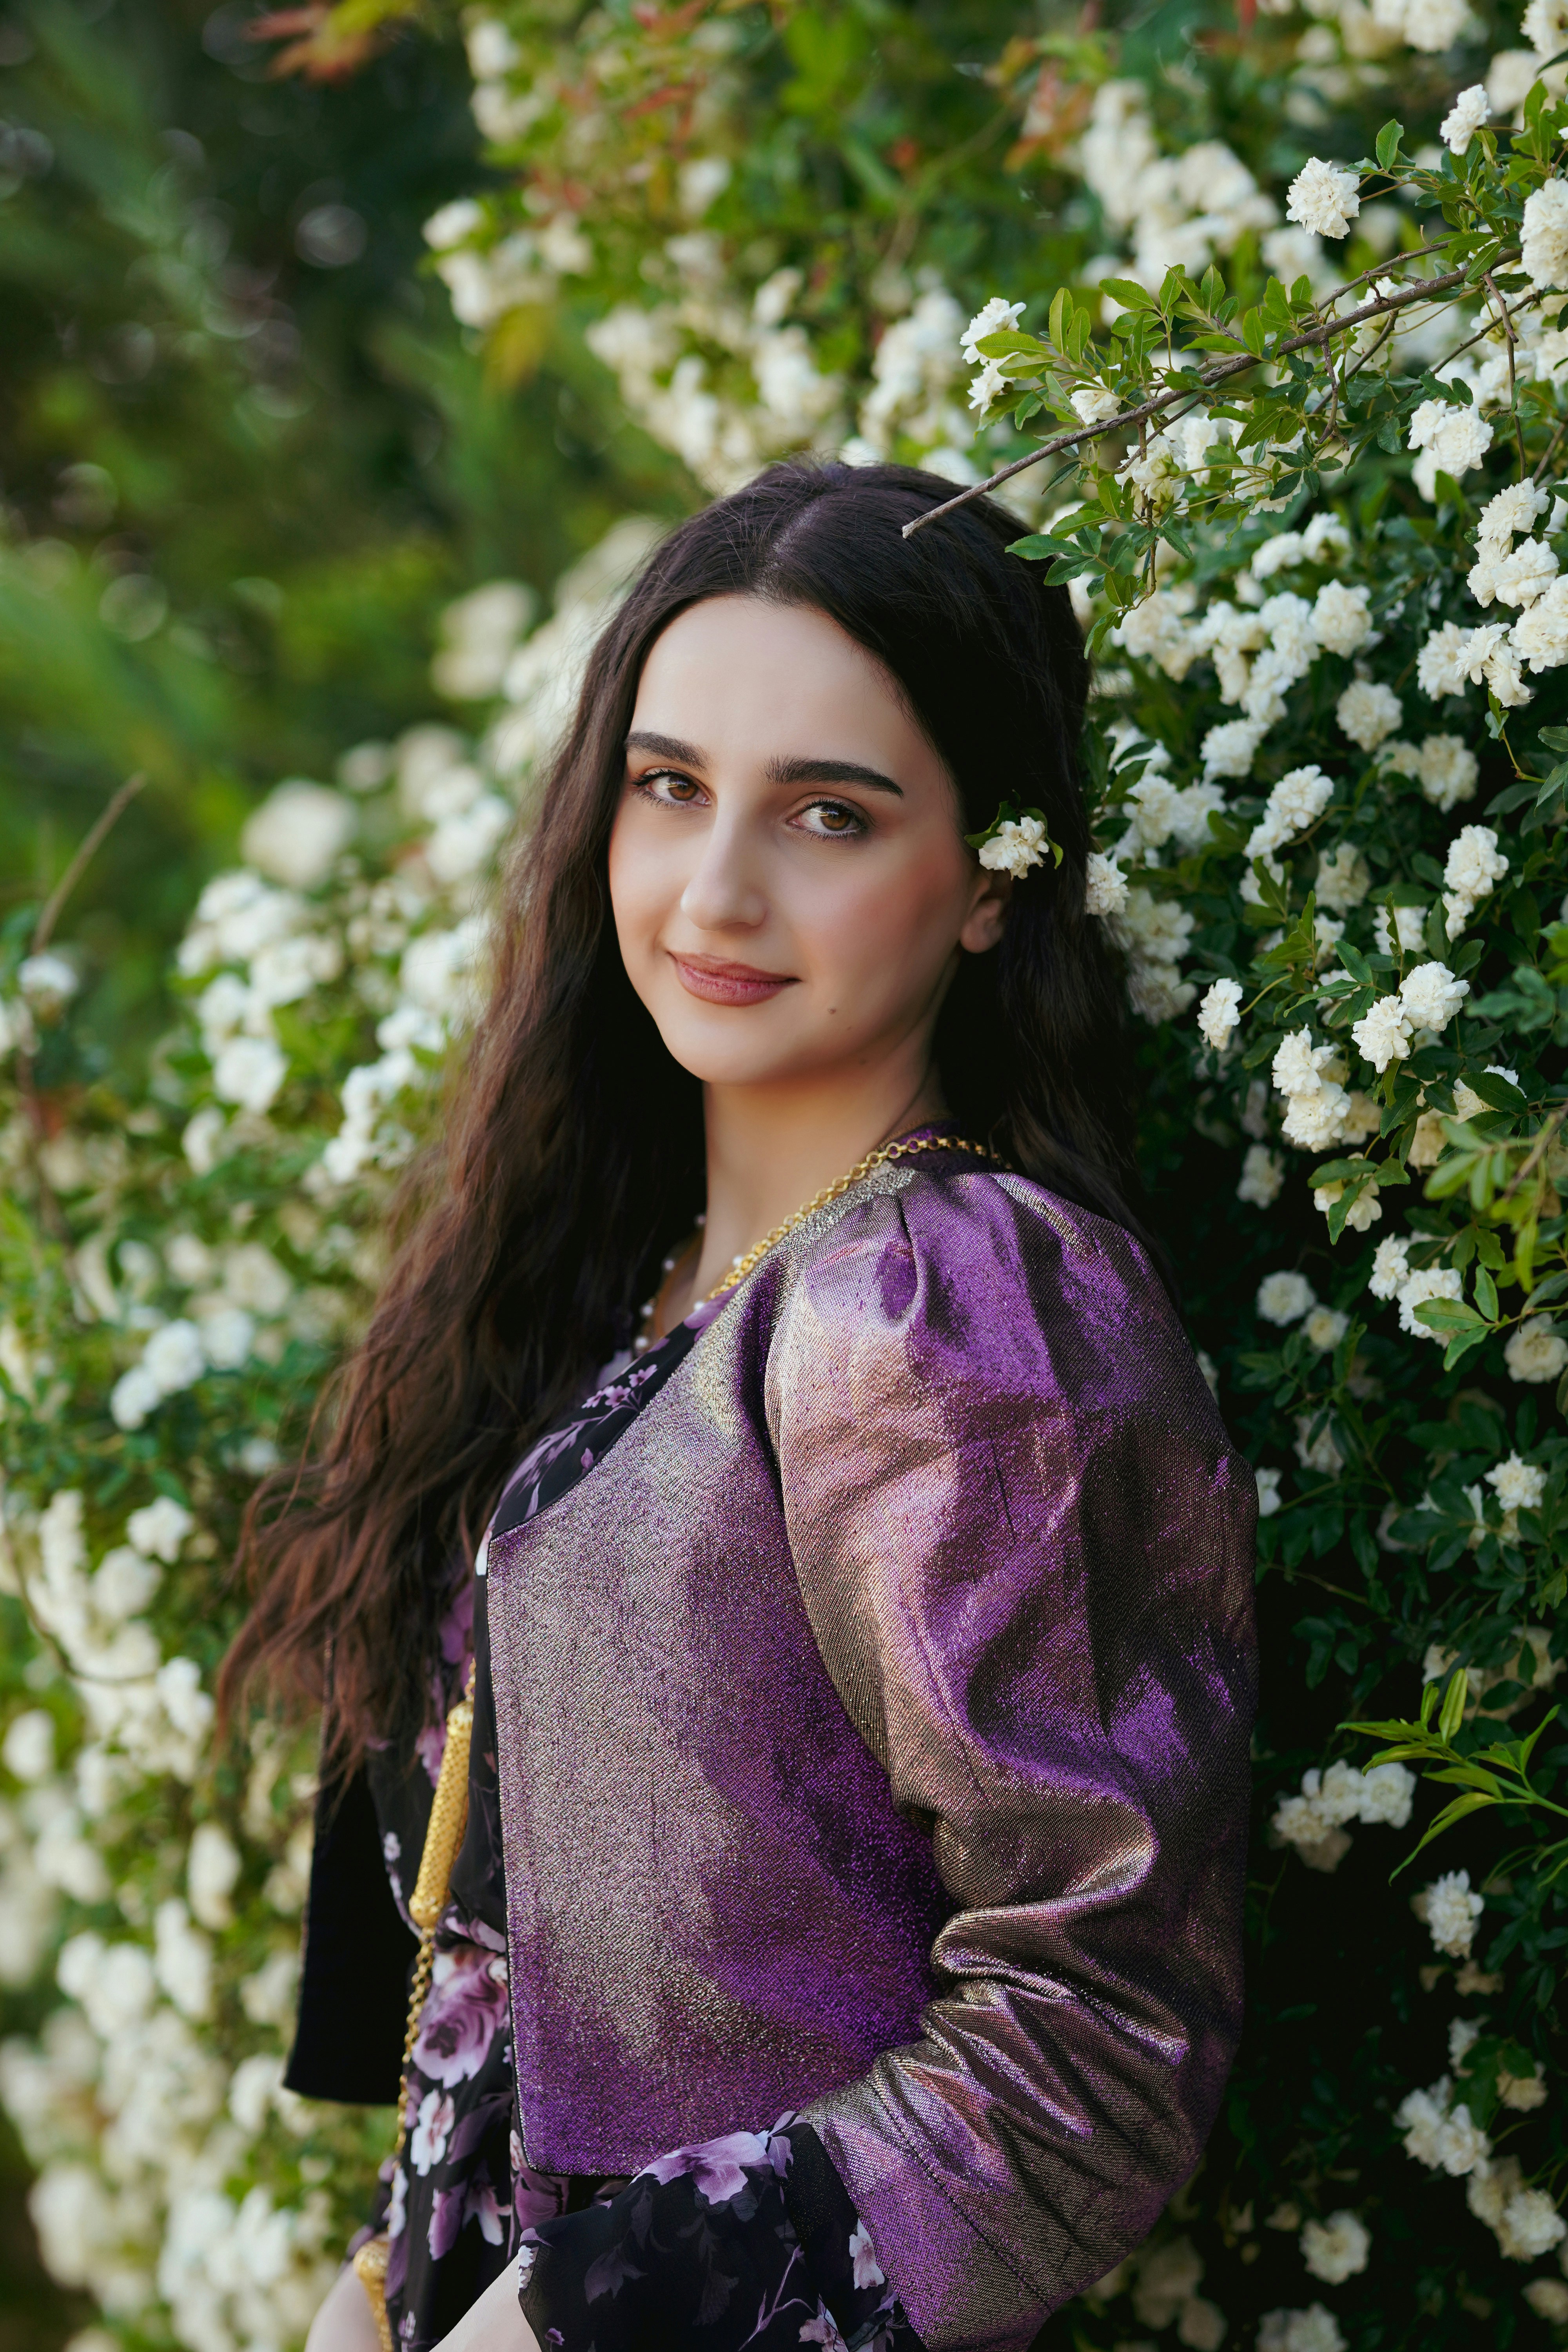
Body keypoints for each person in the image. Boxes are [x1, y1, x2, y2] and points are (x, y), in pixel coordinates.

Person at [222, 459, 1257, 2352]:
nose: (715, 889)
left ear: (986, 885)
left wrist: (586, 2317)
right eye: (670, 786)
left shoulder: (951, 1304)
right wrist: (385, 2280)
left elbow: (1095, 2036)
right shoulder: (603, 1295)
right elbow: (494, 1984)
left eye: (829, 817)